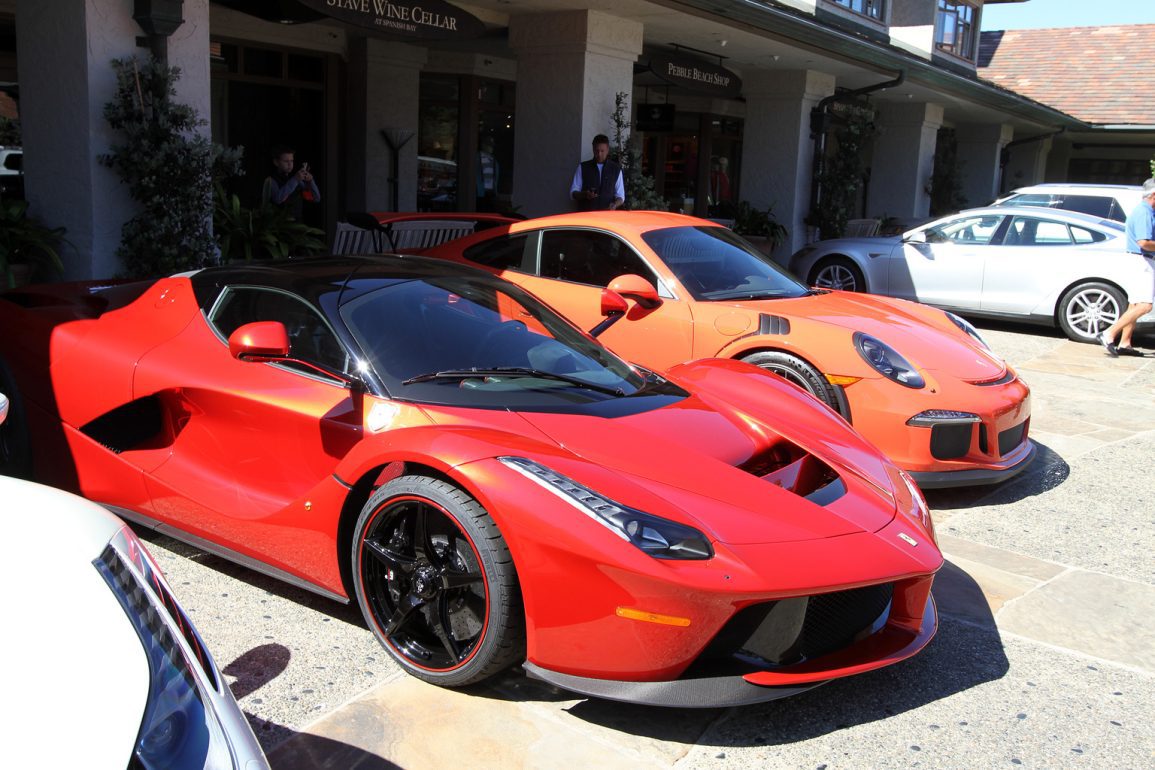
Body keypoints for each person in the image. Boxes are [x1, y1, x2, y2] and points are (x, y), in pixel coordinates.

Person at [1100, 177, 1155, 357]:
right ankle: (1109, 334)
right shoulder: (1144, 212)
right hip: (1142, 261)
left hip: (1139, 261)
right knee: (1145, 306)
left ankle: (1125, 343)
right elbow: (1144, 242)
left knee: (1135, 304)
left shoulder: (1145, 211)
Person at [262, 144, 321, 220]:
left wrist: (310, 182)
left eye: (291, 161)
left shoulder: (296, 180)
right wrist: (295, 179)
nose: (290, 164)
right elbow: (278, 199)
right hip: (279, 225)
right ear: (276, 162)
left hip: (298, 224)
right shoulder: (271, 181)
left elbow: (316, 198)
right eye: (286, 161)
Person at [570, 134, 624, 211]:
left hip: (607, 215)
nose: (599, 154)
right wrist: (585, 194)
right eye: (597, 151)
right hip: (586, 214)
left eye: (602, 151)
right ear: (593, 149)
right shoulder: (583, 167)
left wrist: (614, 205)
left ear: (607, 150)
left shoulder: (616, 169)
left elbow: (620, 196)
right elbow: (573, 193)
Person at [476, 136, 499, 212]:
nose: (491, 148)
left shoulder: (493, 160)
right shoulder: (476, 158)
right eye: (489, 145)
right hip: (479, 193)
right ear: (483, 145)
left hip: (490, 193)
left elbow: (495, 176)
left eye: (492, 146)